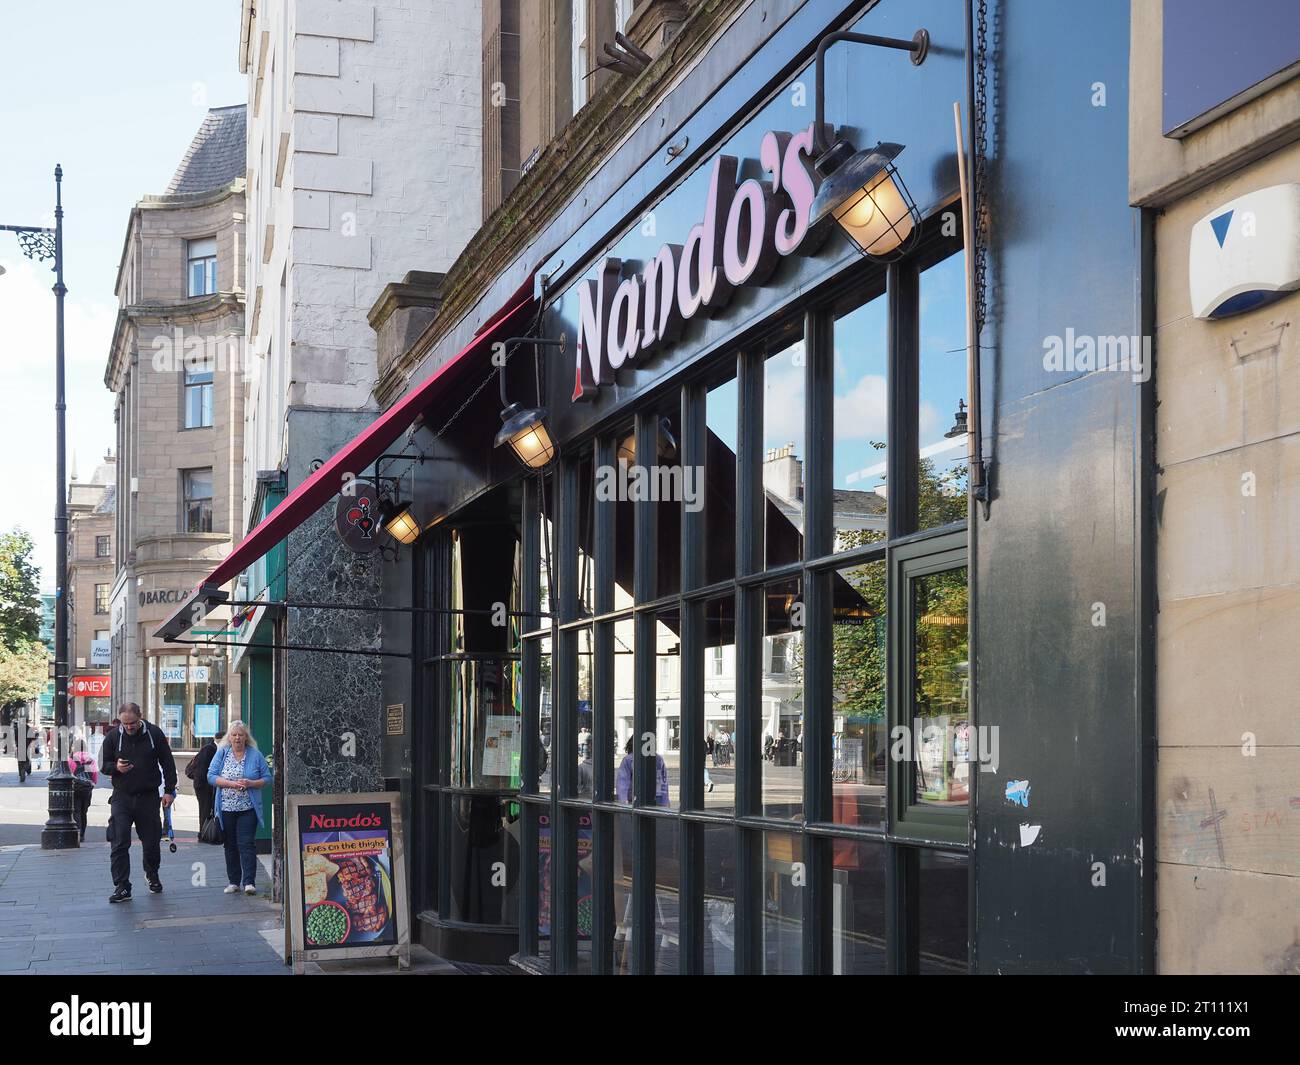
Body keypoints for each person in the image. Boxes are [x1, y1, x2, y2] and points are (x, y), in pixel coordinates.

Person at [99, 702, 177, 903]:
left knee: (151, 843)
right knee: (119, 840)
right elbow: (103, 765)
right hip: (122, 796)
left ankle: (152, 874)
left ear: (140, 717)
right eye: (125, 724)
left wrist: (169, 791)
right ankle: (122, 886)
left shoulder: (154, 734)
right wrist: (115, 767)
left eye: (132, 723)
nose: (129, 727)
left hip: (148, 796)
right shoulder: (114, 737)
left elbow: (167, 763)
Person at [207, 720, 272, 895]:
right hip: (226, 808)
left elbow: (267, 778)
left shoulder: (255, 754)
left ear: (246, 737)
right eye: (234, 735)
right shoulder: (222, 753)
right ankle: (233, 881)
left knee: (247, 844)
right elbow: (211, 776)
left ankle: (249, 882)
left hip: (248, 808)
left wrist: (251, 783)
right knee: (230, 845)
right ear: (229, 737)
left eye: (240, 735)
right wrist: (229, 783)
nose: (237, 738)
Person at [188, 729, 224, 836]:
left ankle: (206, 831)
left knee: (209, 808)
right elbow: (202, 769)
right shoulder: (209, 749)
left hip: (207, 784)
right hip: (203, 785)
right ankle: (203, 833)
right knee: (205, 809)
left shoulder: (216, 749)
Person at [615, 736, 670, 806]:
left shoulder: (628, 759)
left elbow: (622, 783)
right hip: (656, 800)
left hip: (633, 800)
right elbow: (663, 782)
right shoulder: (658, 759)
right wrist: (665, 801)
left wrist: (623, 801)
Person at [67, 746, 99, 841]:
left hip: (75, 788)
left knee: (76, 810)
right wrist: (91, 785)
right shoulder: (91, 760)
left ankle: (77, 832)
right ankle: (82, 834)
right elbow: (94, 777)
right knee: (84, 812)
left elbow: (68, 774)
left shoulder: (71, 760)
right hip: (87, 790)